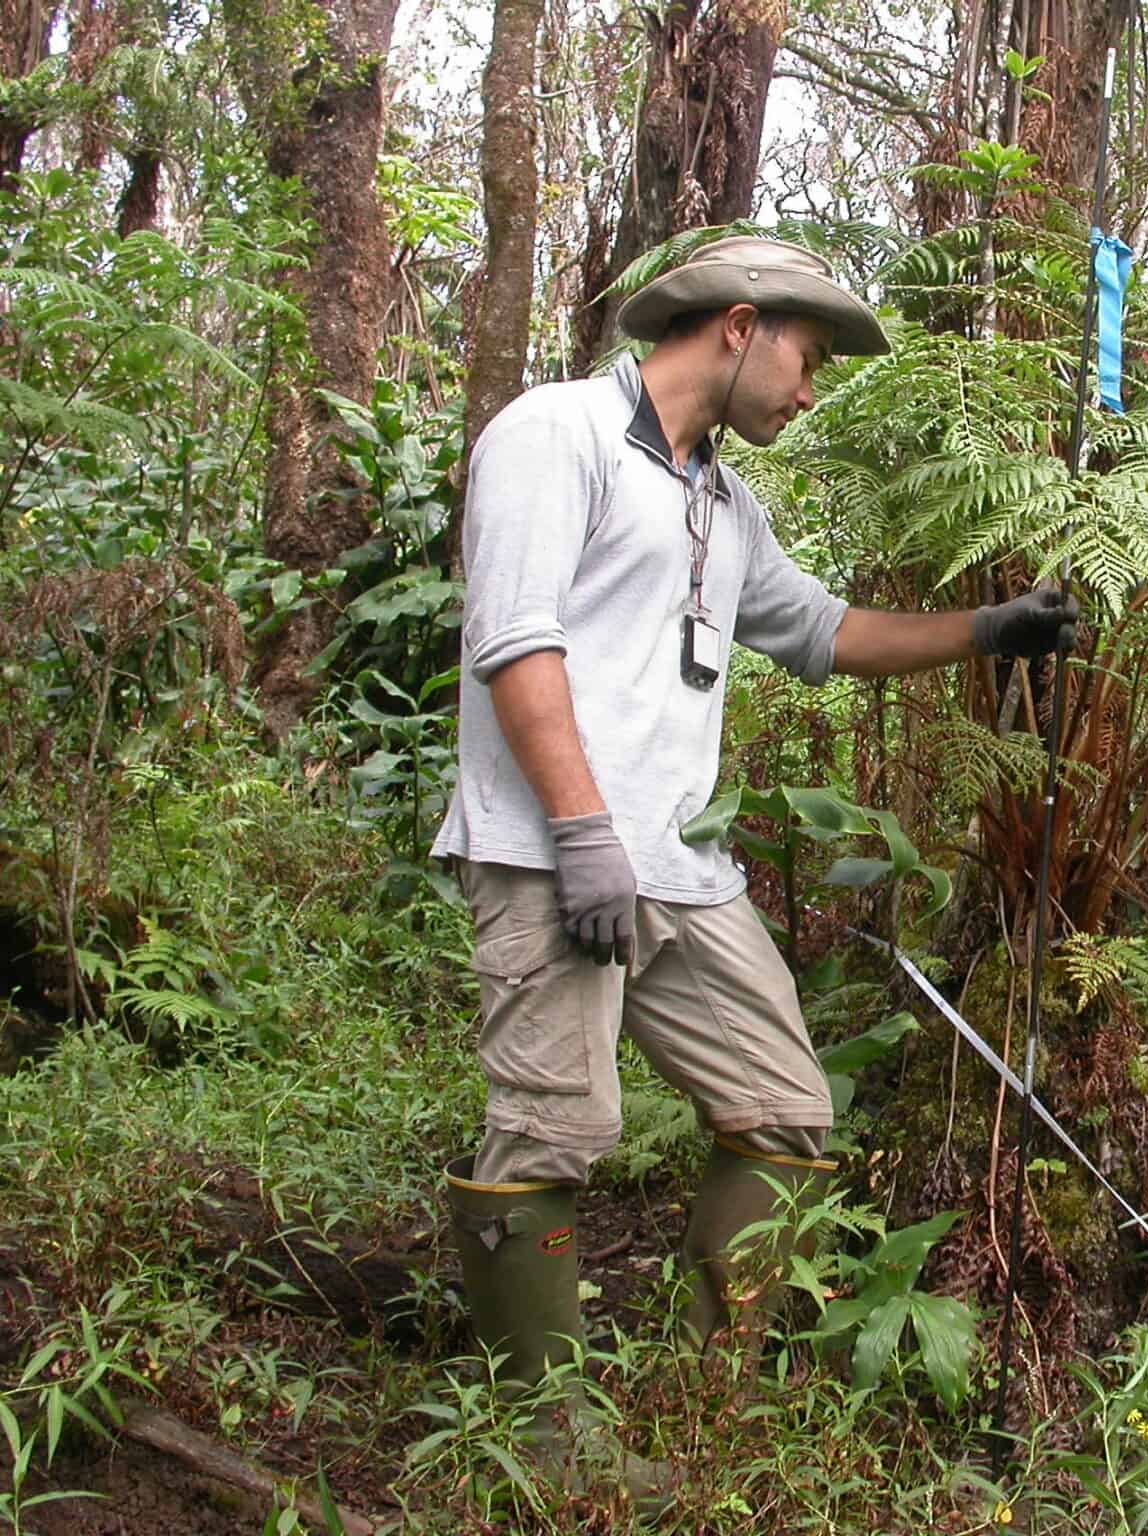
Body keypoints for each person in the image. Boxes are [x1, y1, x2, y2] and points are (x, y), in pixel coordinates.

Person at [428, 236, 1074, 1483]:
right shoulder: (553, 435)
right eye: (807, 358)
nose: (808, 391)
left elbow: (822, 632)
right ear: (738, 327)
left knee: (783, 1109)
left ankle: (696, 1389)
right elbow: (514, 640)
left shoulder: (724, 503)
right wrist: (581, 832)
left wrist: (990, 630)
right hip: (552, 853)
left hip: (675, 864)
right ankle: (549, 1439)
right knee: (552, 1130)